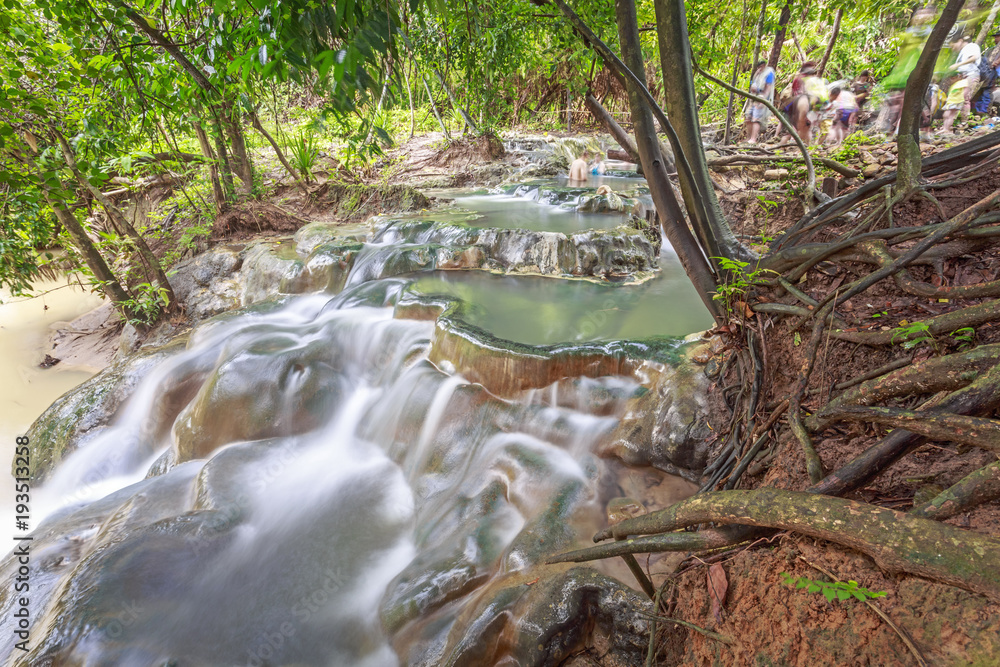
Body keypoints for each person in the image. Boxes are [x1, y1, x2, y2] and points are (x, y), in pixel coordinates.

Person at [947, 33, 982, 120]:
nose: (953, 49)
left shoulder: (971, 46)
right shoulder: (963, 51)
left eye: (953, 46)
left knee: (965, 98)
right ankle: (954, 120)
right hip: (963, 77)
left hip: (971, 75)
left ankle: (964, 122)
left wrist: (957, 64)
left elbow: (973, 58)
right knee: (957, 98)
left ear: (960, 41)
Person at [743, 60, 776, 143]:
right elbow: (752, 83)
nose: (759, 68)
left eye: (761, 66)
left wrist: (763, 99)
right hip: (753, 97)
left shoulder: (769, 73)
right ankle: (749, 137)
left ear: (764, 65)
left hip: (762, 97)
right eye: (758, 67)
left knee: (756, 119)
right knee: (748, 118)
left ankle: (753, 139)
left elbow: (768, 88)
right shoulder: (757, 73)